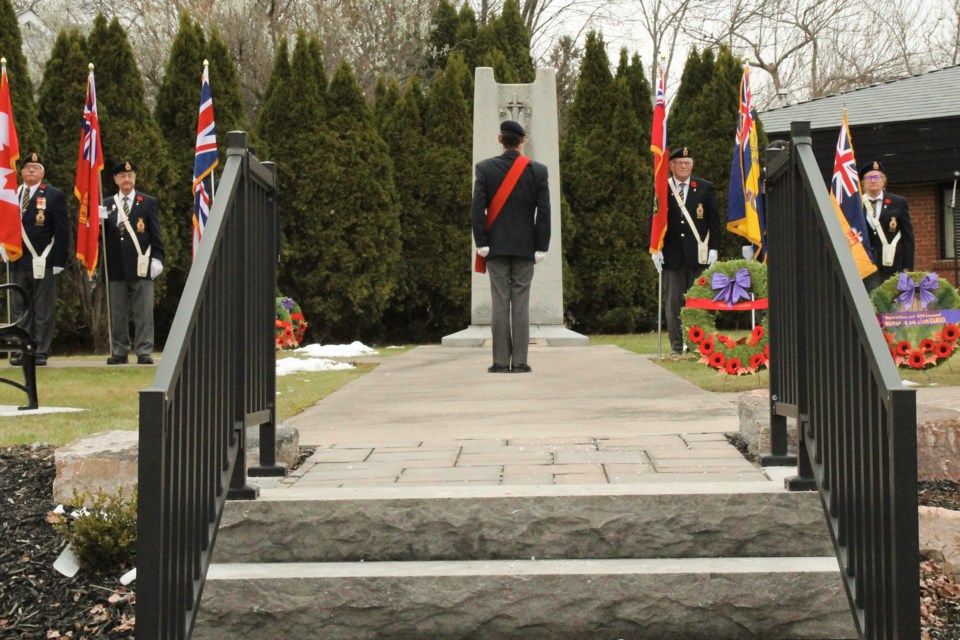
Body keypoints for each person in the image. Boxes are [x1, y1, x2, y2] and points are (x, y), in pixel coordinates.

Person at [471, 120, 550, 373]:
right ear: (522, 140)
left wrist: (481, 242)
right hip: (526, 248)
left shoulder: (484, 169)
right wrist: (541, 246)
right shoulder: (538, 171)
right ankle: (520, 362)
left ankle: (500, 362)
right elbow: (544, 212)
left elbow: (477, 210)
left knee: (500, 304)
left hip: (495, 248)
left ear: (499, 139)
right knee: (521, 304)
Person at [651, 147, 721, 359]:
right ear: (671, 166)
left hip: (698, 254)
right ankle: (676, 345)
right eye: (679, 162)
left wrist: (714, 249)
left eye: (687, 162)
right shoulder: (662, 187)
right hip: (672, 255)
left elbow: (714, 221)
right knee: (673, 303)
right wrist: (655, 248)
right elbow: (654, 219)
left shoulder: (704, 187)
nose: (683, 166)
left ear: (692, 165)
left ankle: (697, 345)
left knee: (698, 302)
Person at [8, 152, 69, 366]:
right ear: (21, 172)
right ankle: (23, 349)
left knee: (43, 308)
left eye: (36, 167)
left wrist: (60, 261)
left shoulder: (53, 195)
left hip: (43, 261)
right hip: (17, 261)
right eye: (27, 167)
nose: (31, 170)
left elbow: (62, 231)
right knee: (20, 309)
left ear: (42, 172)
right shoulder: (11, 194)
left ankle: (41, 350)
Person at [101, 161, 165, 365]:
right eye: (122, 176)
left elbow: (155, 233)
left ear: (135, 178)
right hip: (116, 265)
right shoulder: (107, 204)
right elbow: (101, 238)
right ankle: (119, 350)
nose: (126, 179)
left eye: (130, 176)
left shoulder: (147, 202)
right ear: (116, 180)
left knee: (143, 311)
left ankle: (144, 350)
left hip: (141, 263)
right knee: (117, 311)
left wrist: (158, 258)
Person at [860, 160, 913, 289]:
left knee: (892, 304)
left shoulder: (898, 202)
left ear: (883, 181)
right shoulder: (856, 205)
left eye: (877, 177)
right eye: (869, 177)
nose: (873, 180)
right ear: (862, 182)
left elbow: (908, 237)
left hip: (893, 264)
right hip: (866, 265)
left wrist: (908, 268)